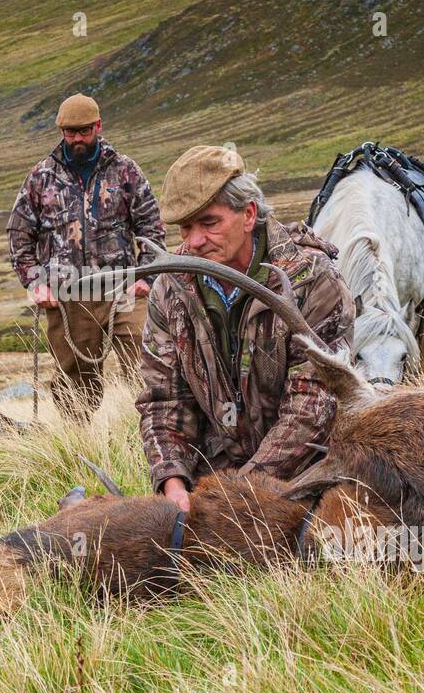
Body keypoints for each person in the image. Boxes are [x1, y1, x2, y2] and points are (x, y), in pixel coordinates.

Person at [137, 145, 355, 512]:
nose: (194, 241)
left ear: (249, 214)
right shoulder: (170, 287)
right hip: (214, 481)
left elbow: (313, 404)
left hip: (309, 477)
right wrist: (173, 483)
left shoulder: (312, 279)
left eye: (209, 223)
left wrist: (236, 496)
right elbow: (165, 399)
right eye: (185, 227)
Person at [6, 93, 166, 420]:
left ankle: (154, 434)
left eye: (84, 131)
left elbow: (151, 225)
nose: (77, 138)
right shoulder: (41, 176)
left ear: (98, 126)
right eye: (70, 132)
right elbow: (19, 233)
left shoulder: (125, 171)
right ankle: (78, 444)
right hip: (68, 295)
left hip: (124, 288)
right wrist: (35, 282)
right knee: (74, 380)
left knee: (146, 361)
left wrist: (147, 275)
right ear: (61, 131)